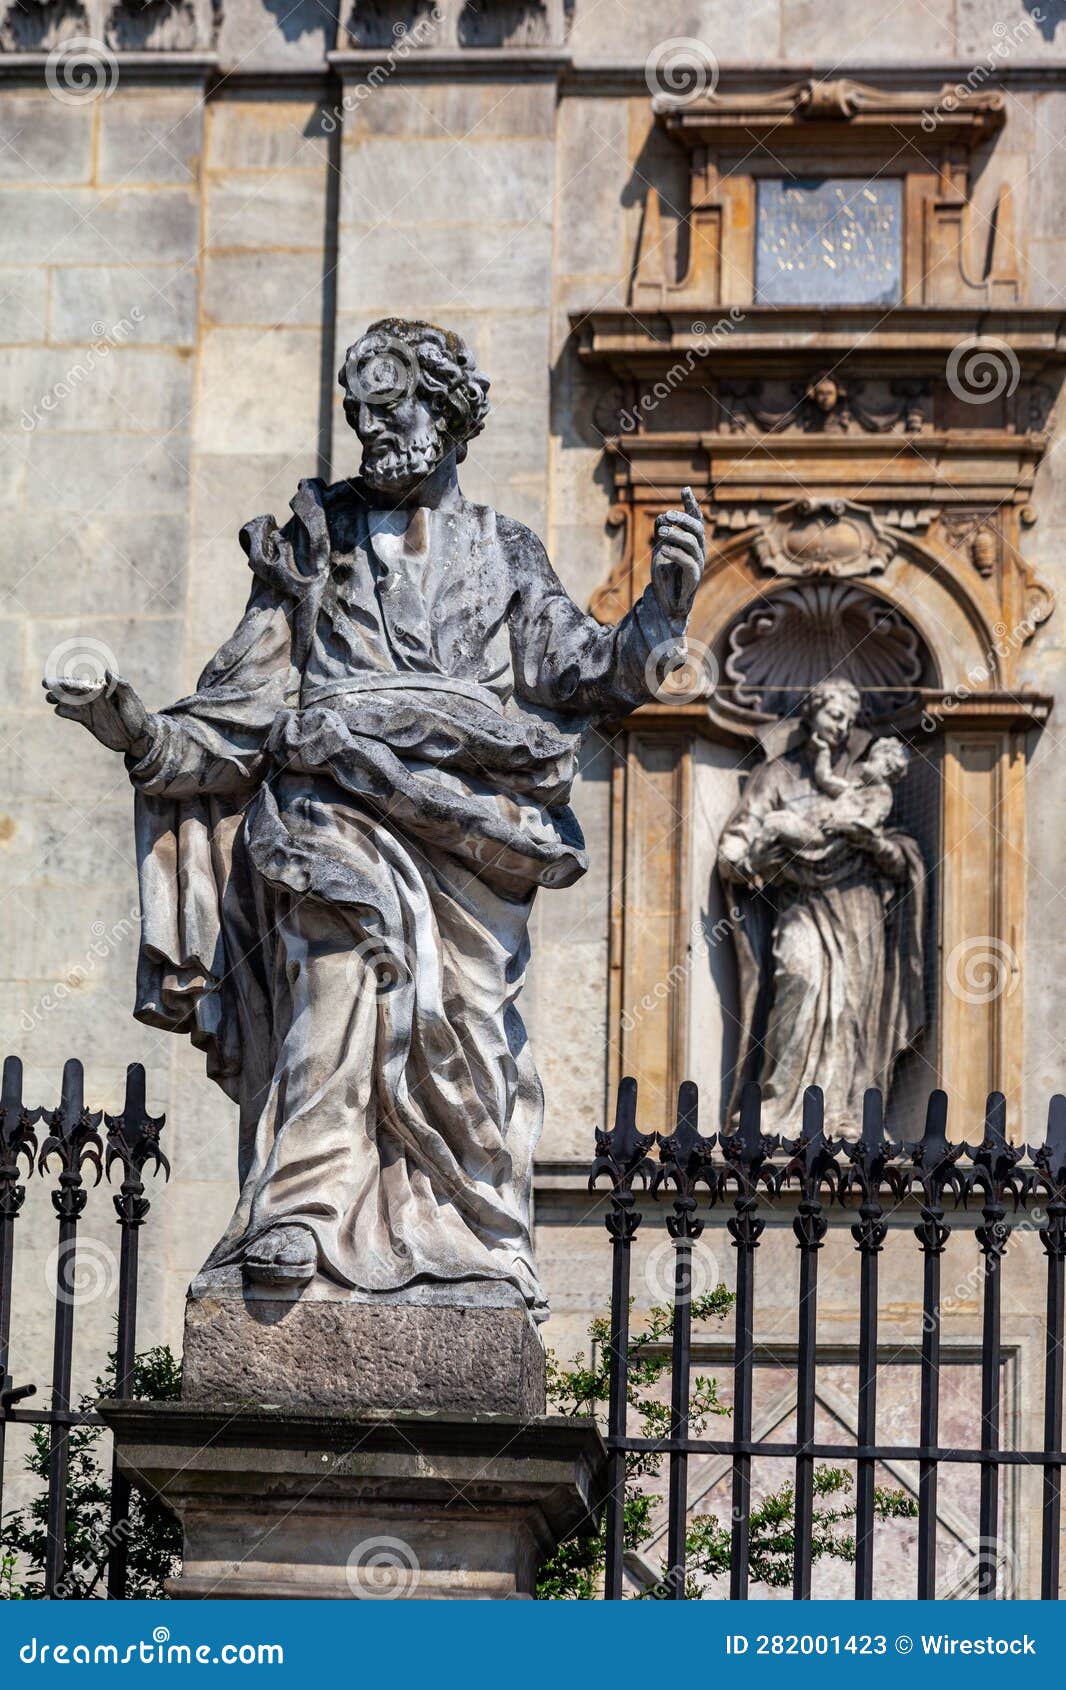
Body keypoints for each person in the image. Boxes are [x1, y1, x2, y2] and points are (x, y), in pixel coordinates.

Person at [44, 317, 706, 1318]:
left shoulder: (504, 551)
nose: (370, 431)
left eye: (390, 411)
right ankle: (300, 1211)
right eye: (357, 415)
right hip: (328, 802)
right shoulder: (312, 542)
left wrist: (663, 609)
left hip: (469, 834)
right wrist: (126, 722)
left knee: (464, 1034)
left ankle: (463, 1227)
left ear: (446, 414)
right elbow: (237, 713)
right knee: (335, 983)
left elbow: (593, 673)